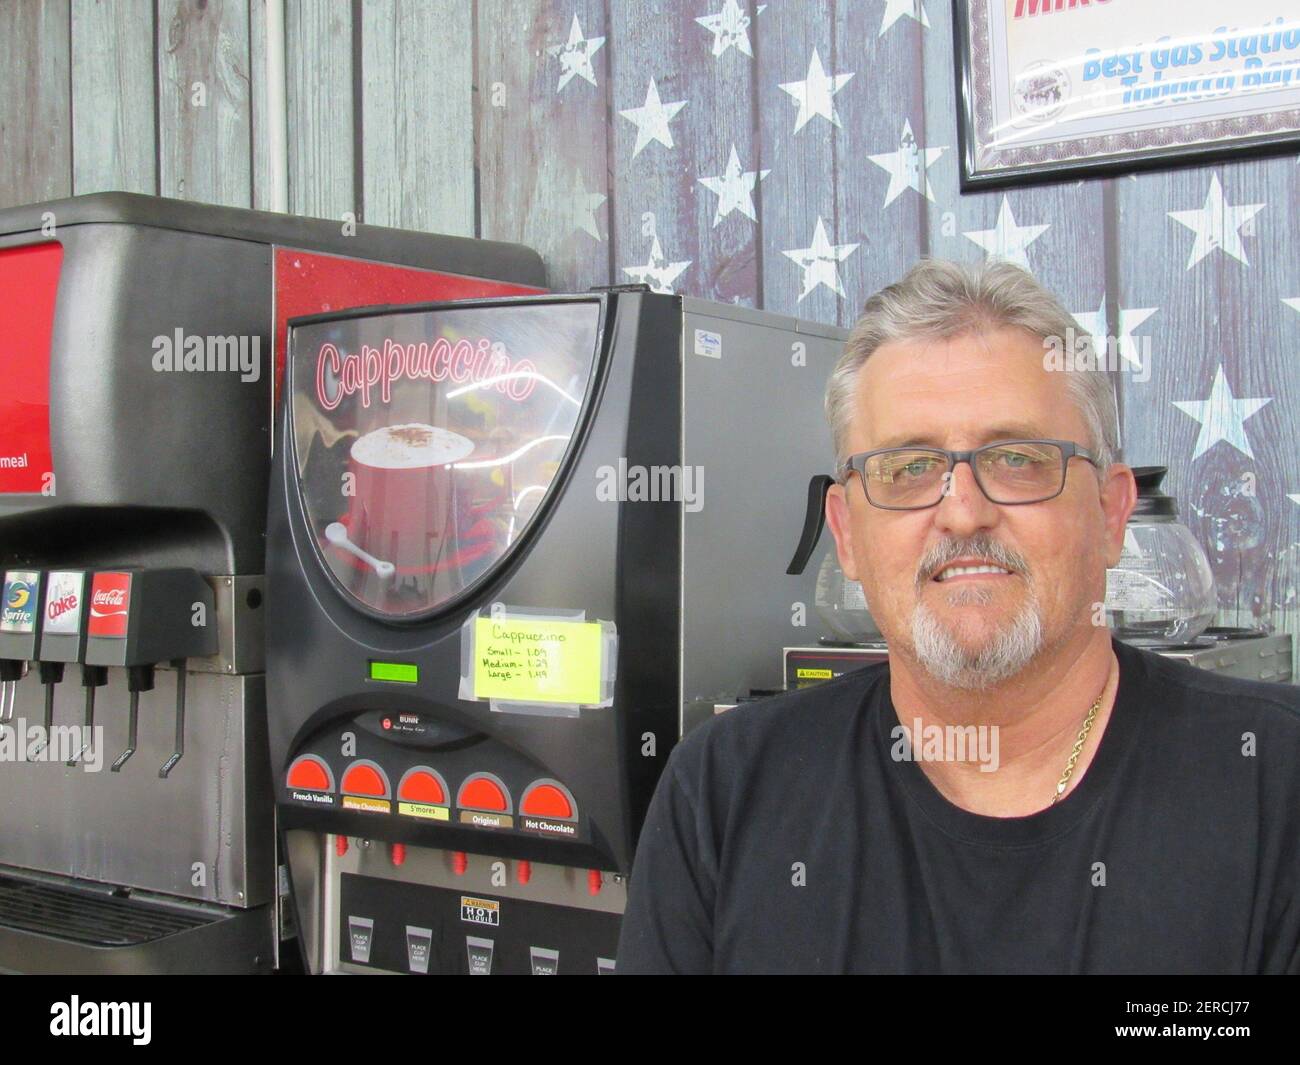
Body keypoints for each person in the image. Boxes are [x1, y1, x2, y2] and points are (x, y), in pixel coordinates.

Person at [617, 258, 1300, 974]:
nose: (964, 512)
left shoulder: (1275, 781)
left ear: (1110, 513)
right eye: (909, 468)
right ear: (846, 533)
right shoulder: (722, 792)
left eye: (1018, 458)